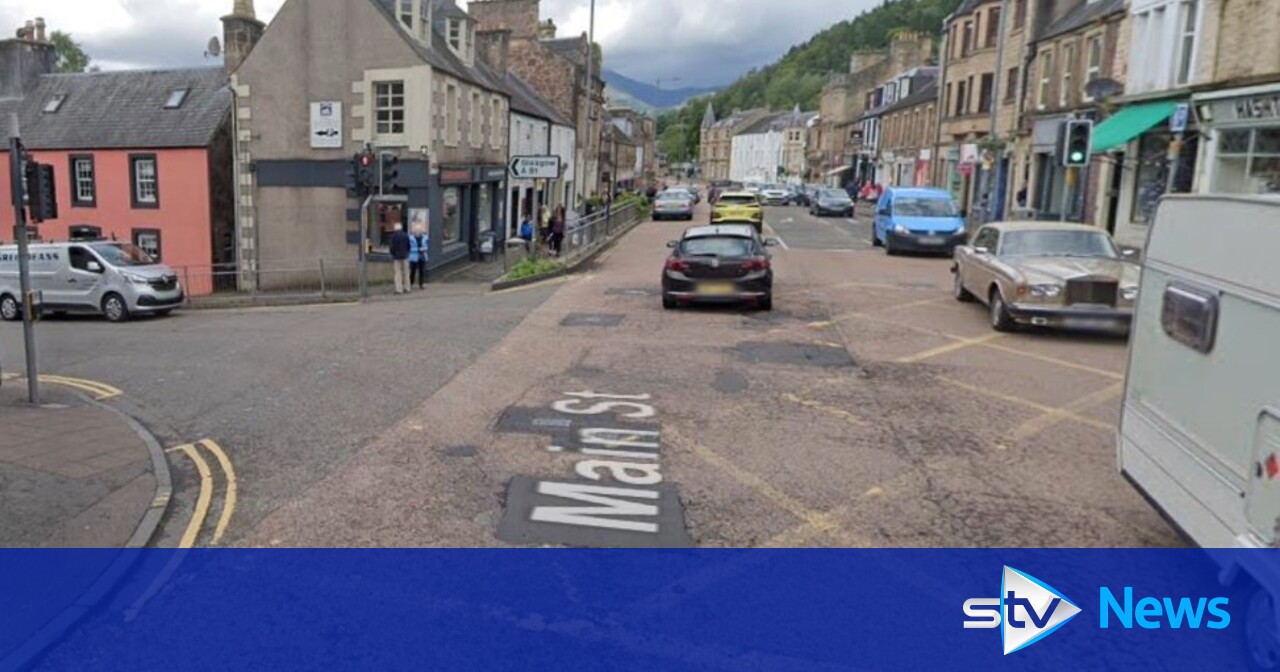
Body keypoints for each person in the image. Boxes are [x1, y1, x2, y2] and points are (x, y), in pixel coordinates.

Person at [387, 223, 411, 295]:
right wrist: (407, 252)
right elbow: (409, 245)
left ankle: (399, 289)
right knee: (406, 272)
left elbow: (392, 247)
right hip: (405, 256)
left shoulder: (393, 236)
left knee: (398, 273)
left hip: (397, 257)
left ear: (395, 229)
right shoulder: (406, 235)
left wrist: (392, 253)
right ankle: (407, 288)